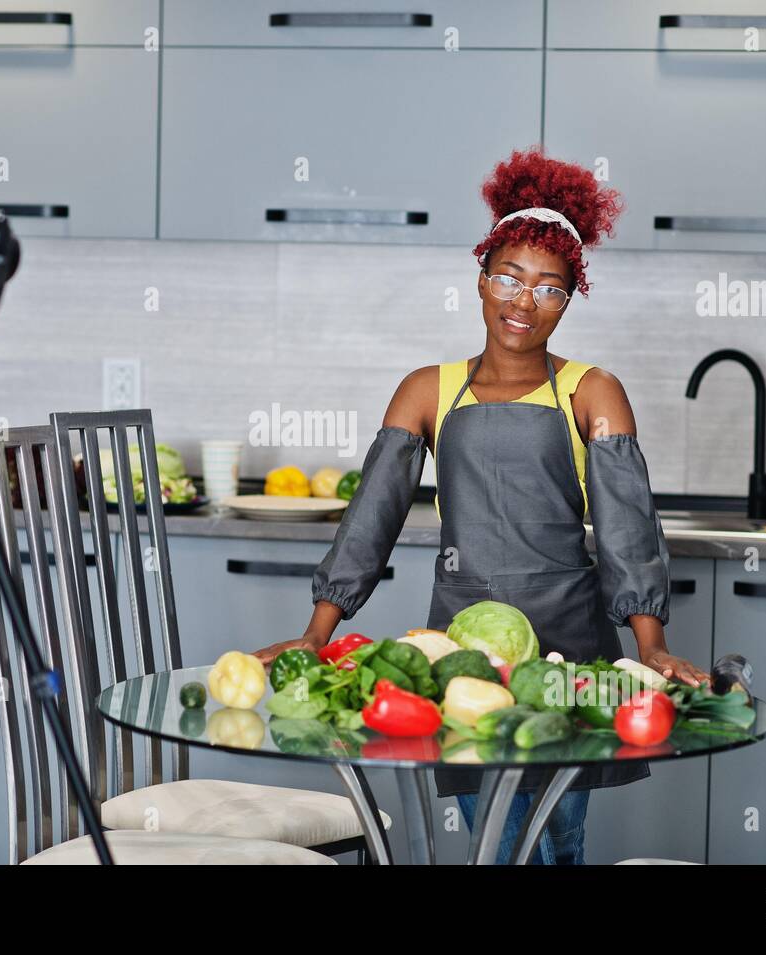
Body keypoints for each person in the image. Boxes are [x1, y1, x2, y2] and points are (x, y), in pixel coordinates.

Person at [253, 148, 708, 864]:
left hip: (569, 653)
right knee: (491, 841)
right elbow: (370, 521)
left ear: (569, 300)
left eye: (550, 288)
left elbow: (628, 529)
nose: (524, 302)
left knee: (559, 841)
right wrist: (317, 633)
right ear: (480, 279)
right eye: (509, 278)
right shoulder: (426, 390)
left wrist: (650, 647)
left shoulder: (593, 391)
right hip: (462, 654)